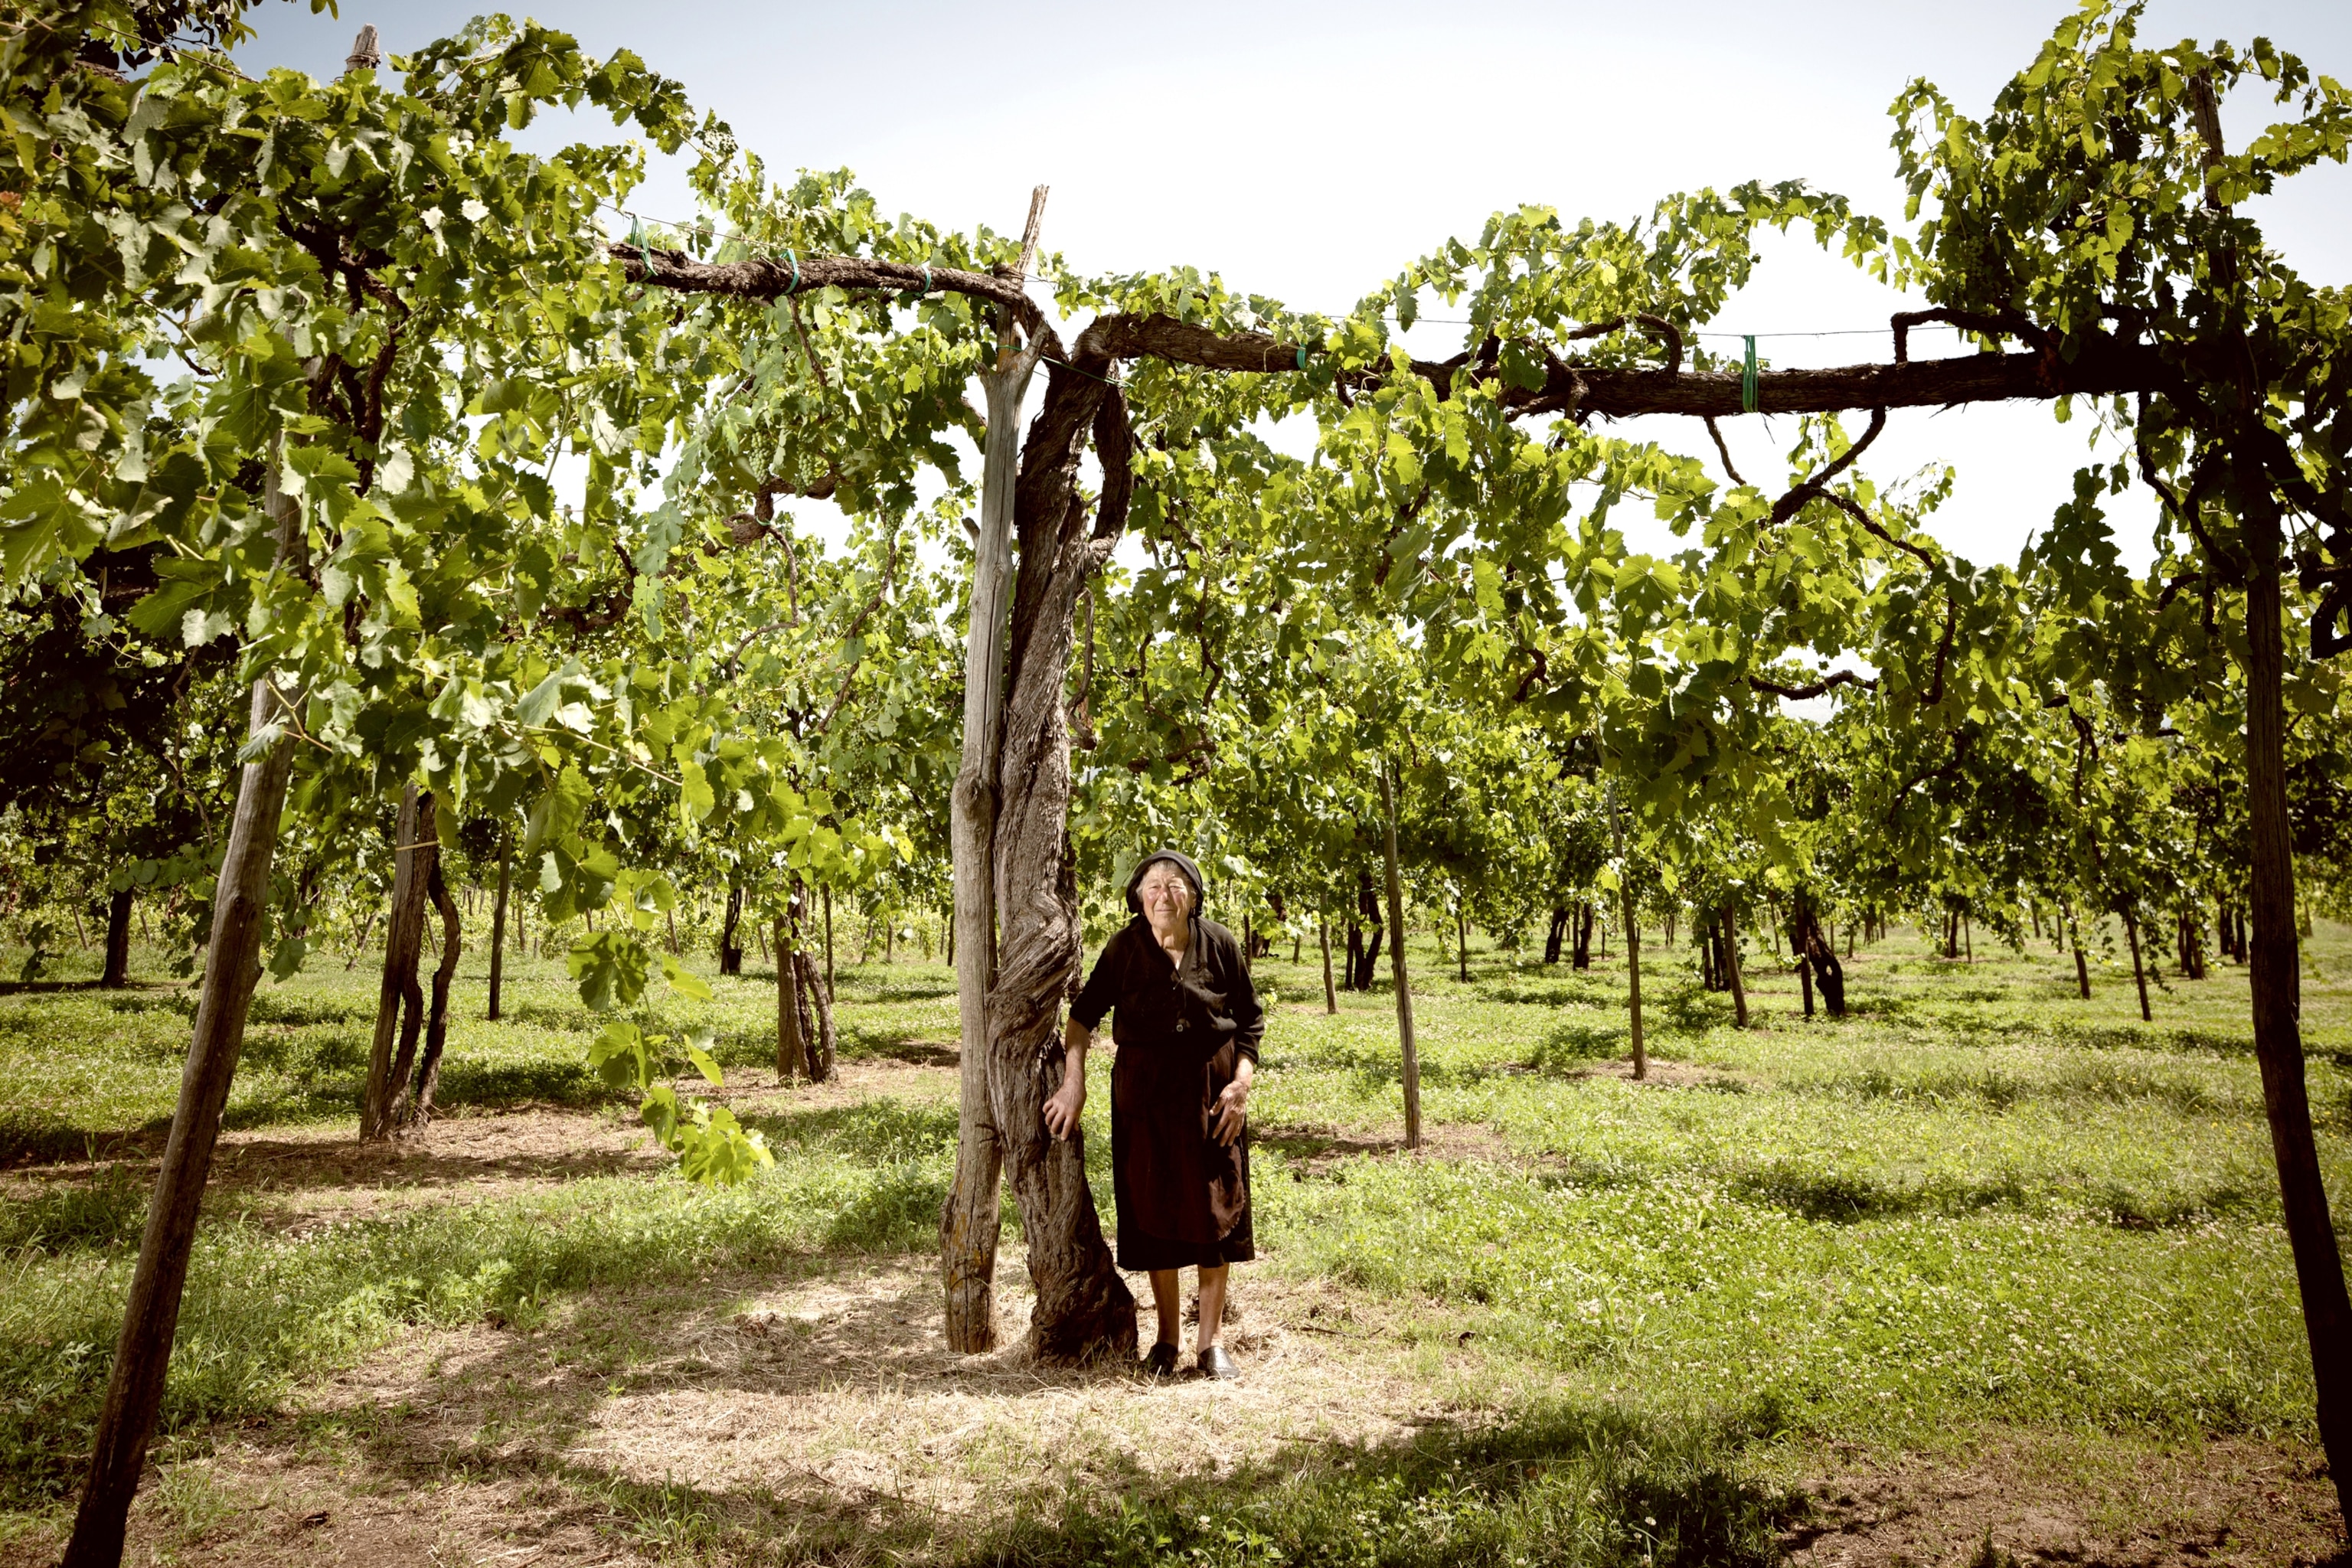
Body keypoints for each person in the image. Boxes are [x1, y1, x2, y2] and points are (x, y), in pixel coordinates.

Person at [1043, 849, 1262, 1380]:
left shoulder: (1221, 944)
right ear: (1139, 899)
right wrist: (1074, 1081)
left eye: (1175, 884)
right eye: (1153, 886)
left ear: (1194, 893)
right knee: (1154, 1204)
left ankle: (1210, 1344)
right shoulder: (1123, 948)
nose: (1164, 894)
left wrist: (1241, 1084)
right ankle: (1167, 1339)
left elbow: (1250, 1021)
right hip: (1143, 1100)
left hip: (1214, 1095)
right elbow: (1082, 1017)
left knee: (1217, 1210)